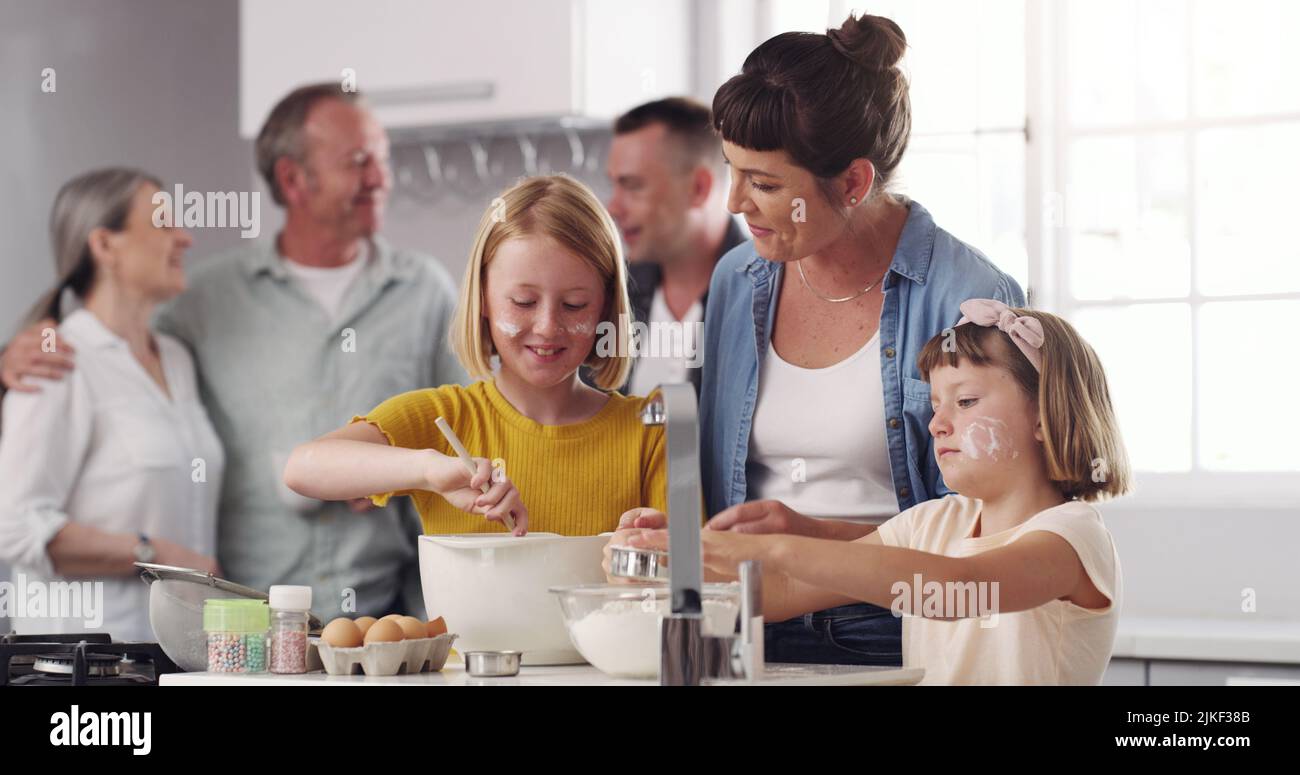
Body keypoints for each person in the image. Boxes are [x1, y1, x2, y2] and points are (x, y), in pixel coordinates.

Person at [614, 13, 1027, 666]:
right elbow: (728, 492)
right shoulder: (736, 280)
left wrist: (814, 539)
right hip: (747, 629)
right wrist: (690, 542)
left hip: (896, 640)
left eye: (767, 184)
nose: (734, 203)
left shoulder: (968, 298)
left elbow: (995, 538)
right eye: (732, 170)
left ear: (854, 183)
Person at [1, 83, 467, 622]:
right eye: (359, 161)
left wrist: (391, 471)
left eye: (383, 159)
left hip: (372, 614)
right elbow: (23, 503)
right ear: (294, 179)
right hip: (228, 623)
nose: (381, 178)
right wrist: (10, 360)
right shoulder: (198, 306)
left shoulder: (424, 291)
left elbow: (457, 428)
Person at [622, 301, 1132, 684]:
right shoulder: (931, 524)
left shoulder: (1071, 537)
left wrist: (768, 546)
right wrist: (668, 556)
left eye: (967, 400)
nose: (937, 424)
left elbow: (958, 589)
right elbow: (777, 592)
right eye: (934, 404)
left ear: (1045, 415)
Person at [283, 175, 666, 535]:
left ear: (604, 306)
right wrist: (428, 468)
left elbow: (694, 576)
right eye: (524, 301)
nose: (548, 326)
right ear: (482, 297)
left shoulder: (649, 432)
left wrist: (657, 549)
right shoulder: (443, 420)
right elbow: (304, 467)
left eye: (574, 304)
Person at [0, 168, 223, 641]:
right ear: (104, 246)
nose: (185, 237)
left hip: (178, 659)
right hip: (86, 666)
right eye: (164, 223)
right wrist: (155, 553)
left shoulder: (178, 359)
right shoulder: (56, 359)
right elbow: (14, 526)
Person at [605, 97, 747, 395]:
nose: (614, 207)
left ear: (699, 189)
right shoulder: (610, 294)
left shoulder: (768, 296)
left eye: (633, 186)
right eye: (614, 185)